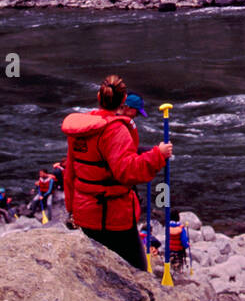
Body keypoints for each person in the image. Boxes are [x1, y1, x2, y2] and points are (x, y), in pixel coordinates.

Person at [61, 74, 171, 271]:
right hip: (114, 216)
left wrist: (72, 210)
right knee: (136, 271)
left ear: (98, 96)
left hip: (85, 212)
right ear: (123, 100)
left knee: (97, 269)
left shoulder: (79, 129)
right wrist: (158, 155)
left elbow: (70, 172)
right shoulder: (116, 130)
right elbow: (128, 172)